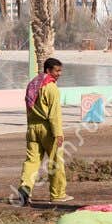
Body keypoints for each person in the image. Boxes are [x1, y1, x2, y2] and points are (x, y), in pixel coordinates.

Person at [18, 57, 66, 205]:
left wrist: (29, 128)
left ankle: (25, 187)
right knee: (55, 161)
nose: (59, 74)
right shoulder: (51, 88)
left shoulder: (33, 84)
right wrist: (58, 133)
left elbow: (29, 107)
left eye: (60, 71)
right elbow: (54, 114)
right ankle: (57, 194)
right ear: (48, 70)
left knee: (32, 161)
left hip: (32, 127)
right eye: (56, 71)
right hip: (47, 128)